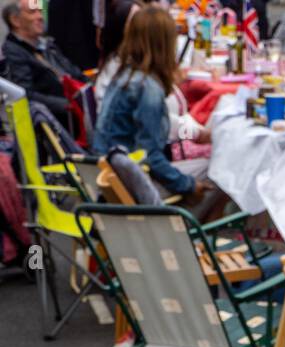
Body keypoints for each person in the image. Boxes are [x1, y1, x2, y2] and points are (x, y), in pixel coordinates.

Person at [92, 5, 207, 202]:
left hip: (110, 176)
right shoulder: (147, 88)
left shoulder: (123, 74)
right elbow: (150, 156)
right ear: (166, 44)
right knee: (217, 172)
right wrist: (188, 184)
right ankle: (186, 227)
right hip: (133, 183)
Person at [1, 0, 84, 122]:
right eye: (32, 12)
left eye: (40, 11)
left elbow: (73, 71)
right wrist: (67, 105)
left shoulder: (47, 44)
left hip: (76, 106)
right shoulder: (13, 51)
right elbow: (26, 94)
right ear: (15, 20)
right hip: (55, 120)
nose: (40, 17)